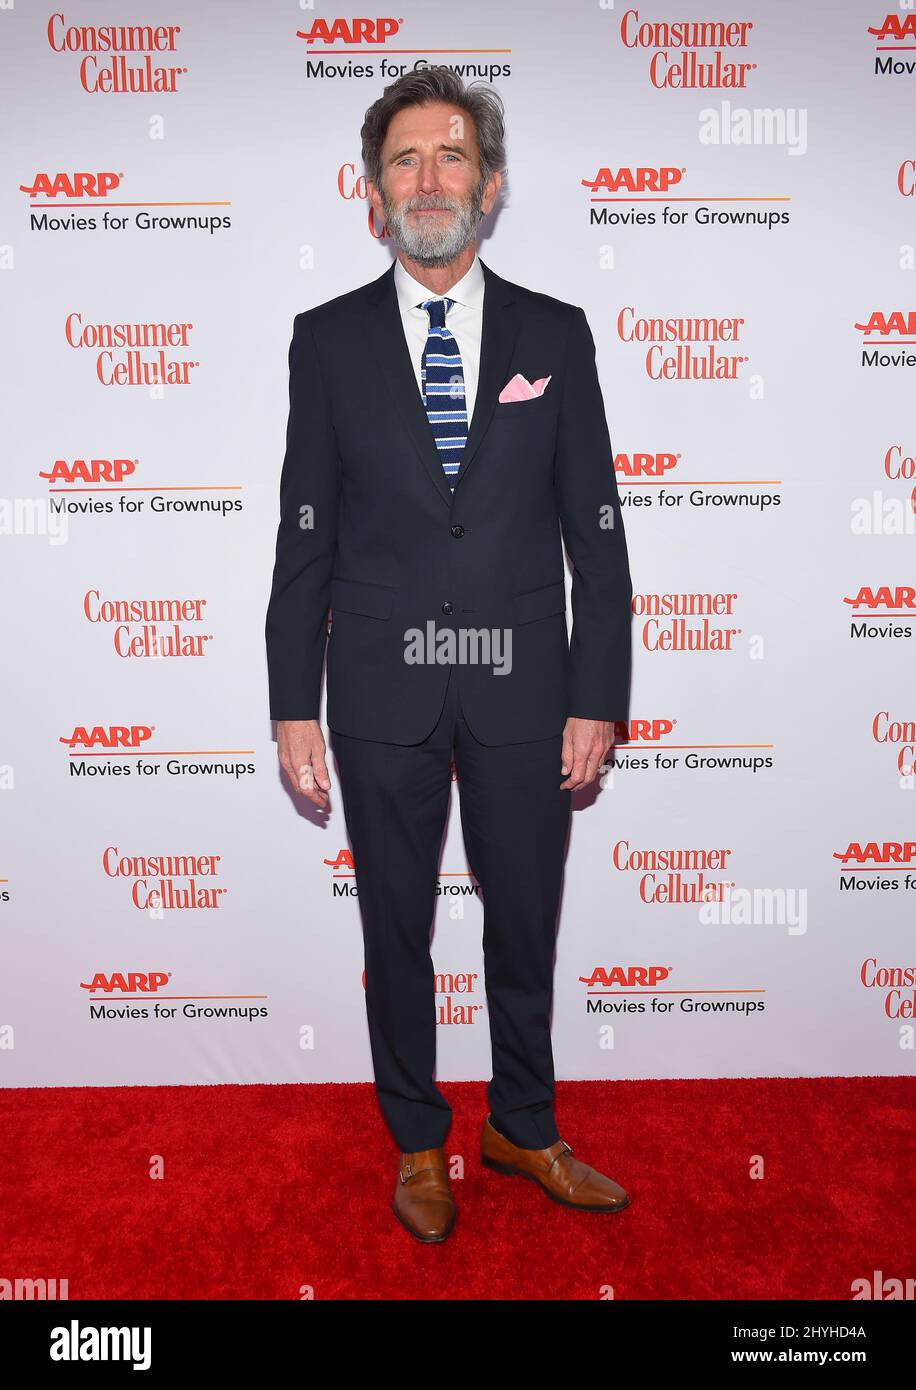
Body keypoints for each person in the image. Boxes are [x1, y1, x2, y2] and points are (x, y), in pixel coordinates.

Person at [265, 67, 634, 1242]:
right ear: (374, 192)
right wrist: (292, 701)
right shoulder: (323, 342)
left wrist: (598, 690)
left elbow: (598, 530)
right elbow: (304, 529)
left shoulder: (555, 335)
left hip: (529, 683)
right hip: (378, 686)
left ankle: (523, 1123)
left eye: (452, 156)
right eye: (405, 160)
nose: (430, 179)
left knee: (525, 920)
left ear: (493, 181)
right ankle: (419, 1139)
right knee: (396, 929)